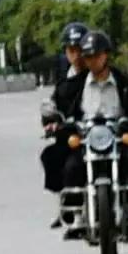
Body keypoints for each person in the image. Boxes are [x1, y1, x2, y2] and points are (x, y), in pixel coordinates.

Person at [44, 31, 128, 224]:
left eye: (96, 55)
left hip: (118, 135)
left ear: (106, 55)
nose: (92, 61)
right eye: (88, 56)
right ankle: (73, 210)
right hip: (85, 138)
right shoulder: (74, 84)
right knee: (71, 166)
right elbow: (53, 103)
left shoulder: (124, 81)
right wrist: (51, 120)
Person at [40, 22, 89, 196]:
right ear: (66, 53)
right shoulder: (63, 84)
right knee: (66, 163)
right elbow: (53, 105)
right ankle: (69, 204)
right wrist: (51, 121)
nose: (77, 55)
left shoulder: (104, 74)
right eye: (71, 50)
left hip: (106, 133)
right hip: (77, 136)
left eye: (80, 49)